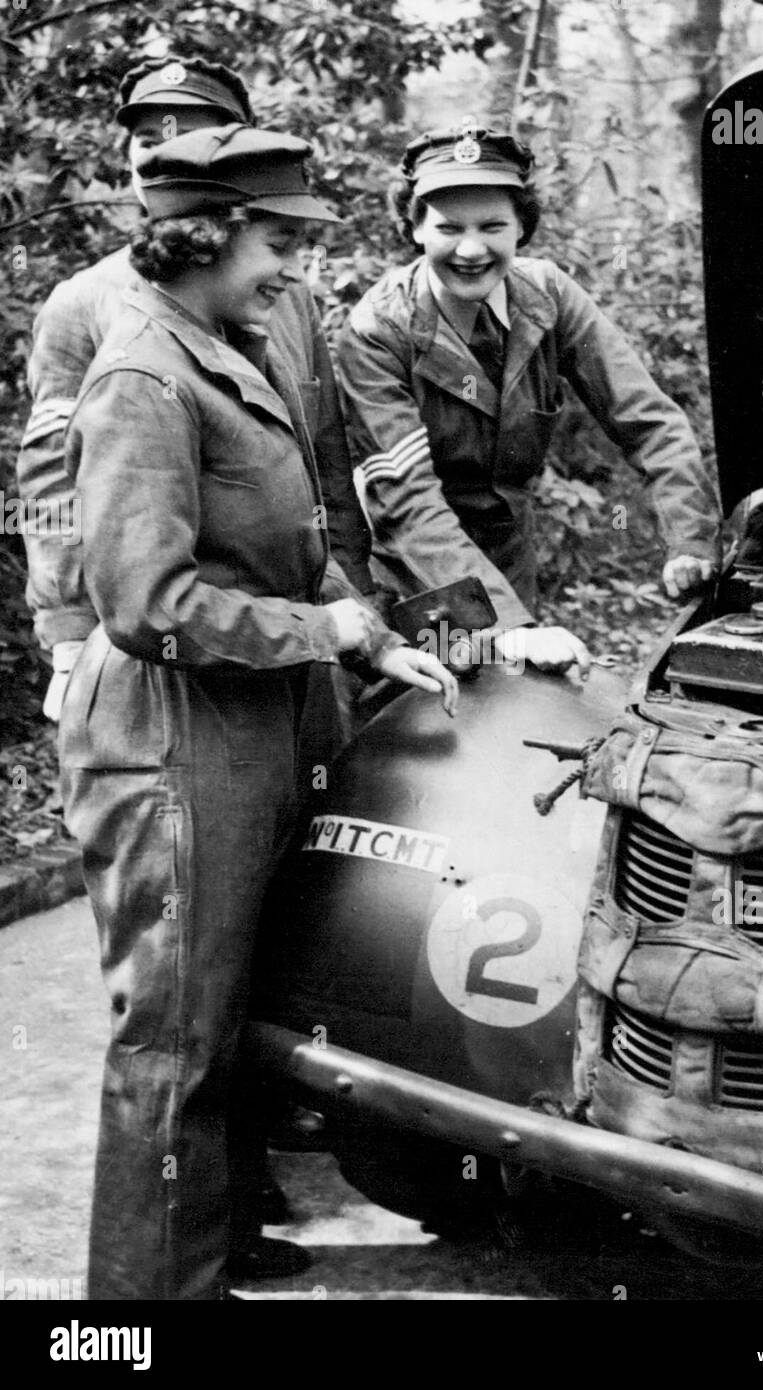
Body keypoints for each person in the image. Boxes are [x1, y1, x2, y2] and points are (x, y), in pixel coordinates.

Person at [58, 123, 458, 1301]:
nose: (293, 266)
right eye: (278, 240)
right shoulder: (142, 376)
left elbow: (293, 552)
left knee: (236, 1017)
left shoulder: (224, 346)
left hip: (262, 727)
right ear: (207, 232)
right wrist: (317, 634)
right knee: (172, 1042)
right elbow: (145, 603)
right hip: (173, 741)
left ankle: (218, 1251)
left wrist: (372, 636)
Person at [17, 55, 371, 722]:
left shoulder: (281, 293)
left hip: (282, 628)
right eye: (151, 141)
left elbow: (320, 449)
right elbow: (48, 483)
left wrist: (350, 607)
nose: (169, 152)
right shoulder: (85, 303)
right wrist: (67, 638)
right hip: (160, 639)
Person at [336, 125, 722, 677]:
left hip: (507, 553)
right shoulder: (378, 331)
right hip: (413, 569)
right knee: (418, 728)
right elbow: (407, 502)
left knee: (515, 719)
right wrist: (509, 629)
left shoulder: (548, 295)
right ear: (416, 228)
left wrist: (690, 538)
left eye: (493, 226)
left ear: (522, 228)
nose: (471, 249)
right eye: (448, 228)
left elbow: (650, 421)